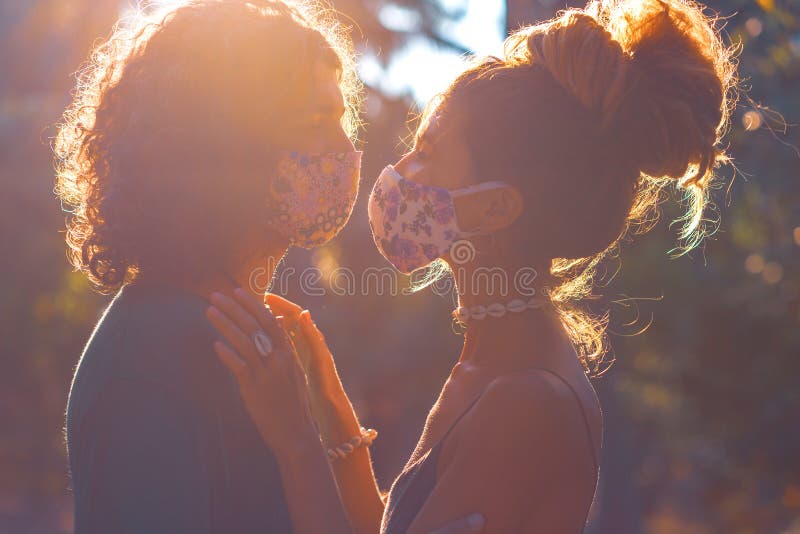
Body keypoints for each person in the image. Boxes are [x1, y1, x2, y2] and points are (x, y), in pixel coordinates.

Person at [206, 0, 739, 532]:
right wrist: (327, 404)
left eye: (430, 150)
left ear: (495, 208)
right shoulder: (497, 356)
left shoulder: (529, 399)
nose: (399, 171)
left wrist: (295, 437)